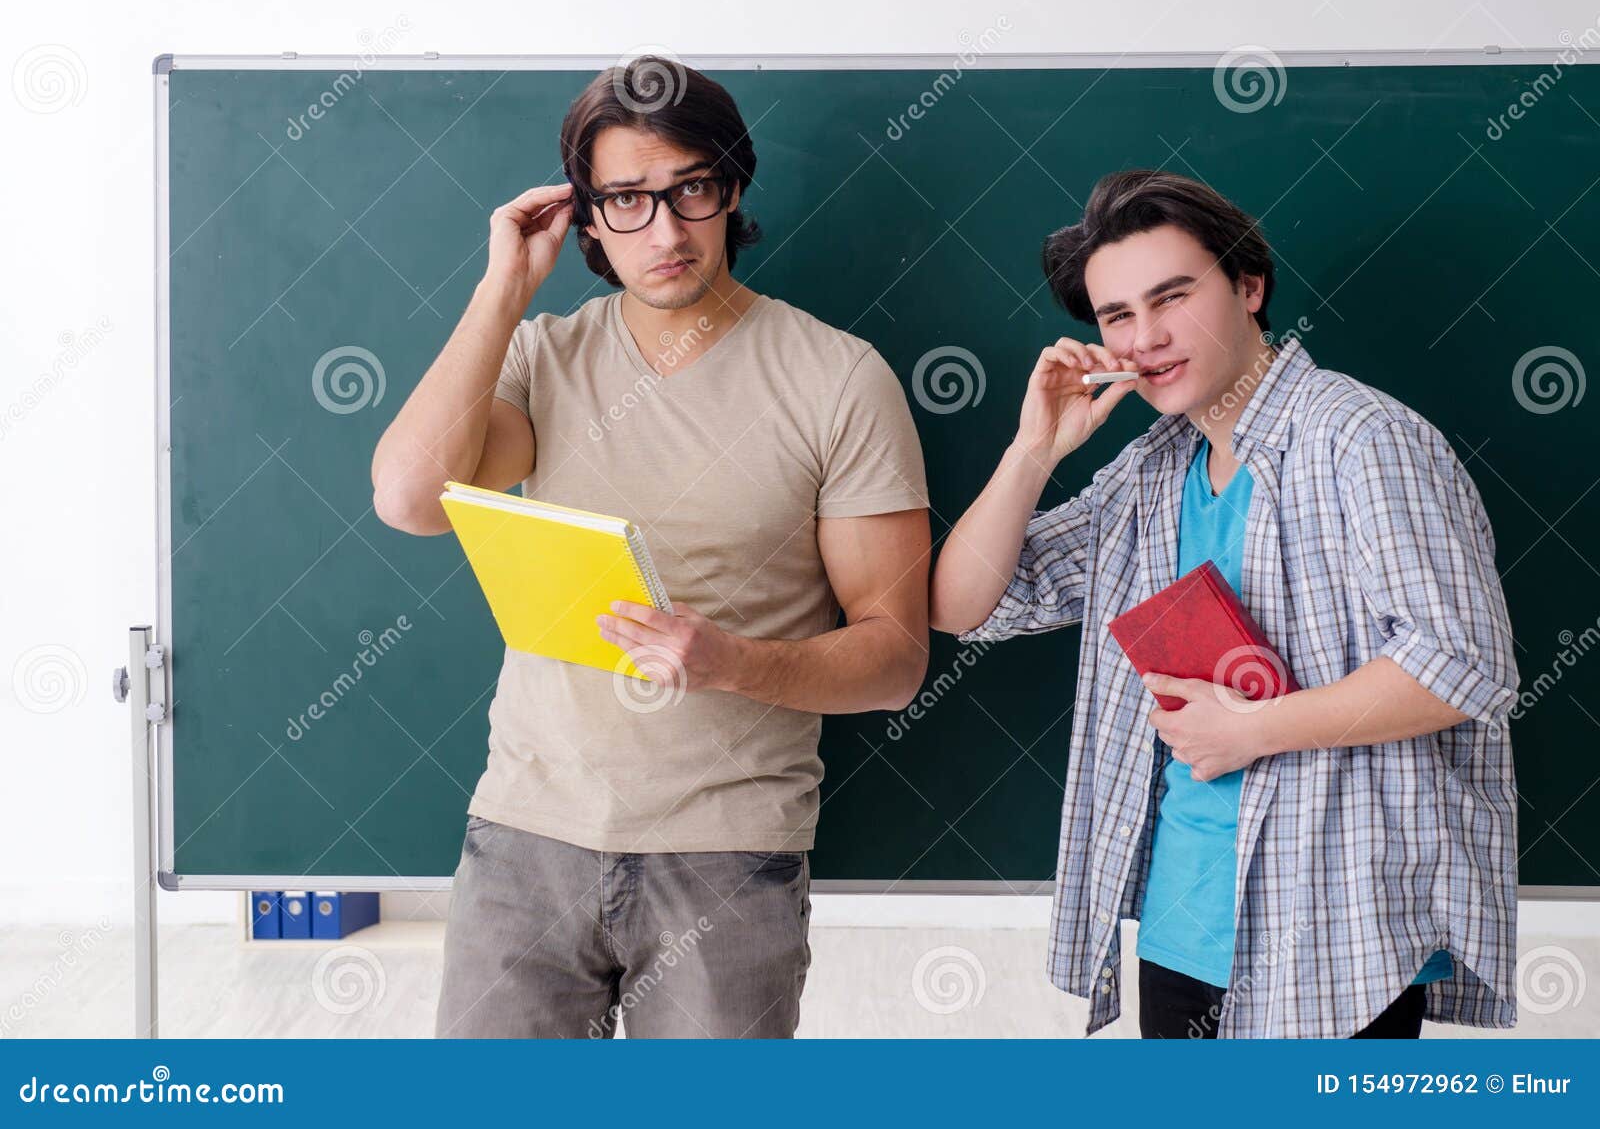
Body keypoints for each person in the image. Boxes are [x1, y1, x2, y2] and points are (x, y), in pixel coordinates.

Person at [372, 57, 931, 1038]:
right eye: (627, 199)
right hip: (525, 835)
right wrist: (504, 288)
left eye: (691, 190)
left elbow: (895, 660)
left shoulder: (840, 380)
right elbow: (411, 499)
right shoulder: (541, 357)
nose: (666, 233)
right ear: (585, 218)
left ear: (733, 189)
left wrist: (732, 662)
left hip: (727, 853)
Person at [930, 169, 1519, 1038]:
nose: (1146, 338)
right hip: (1183, 926)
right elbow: (966, 604)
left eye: (1172, 297)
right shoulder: (1150, 472)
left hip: (1333, 934)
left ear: (1249, 287)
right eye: (1117, 317)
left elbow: (1464, 667)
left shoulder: (1361, 439)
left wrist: (1254, 730)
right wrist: (1033, 450)